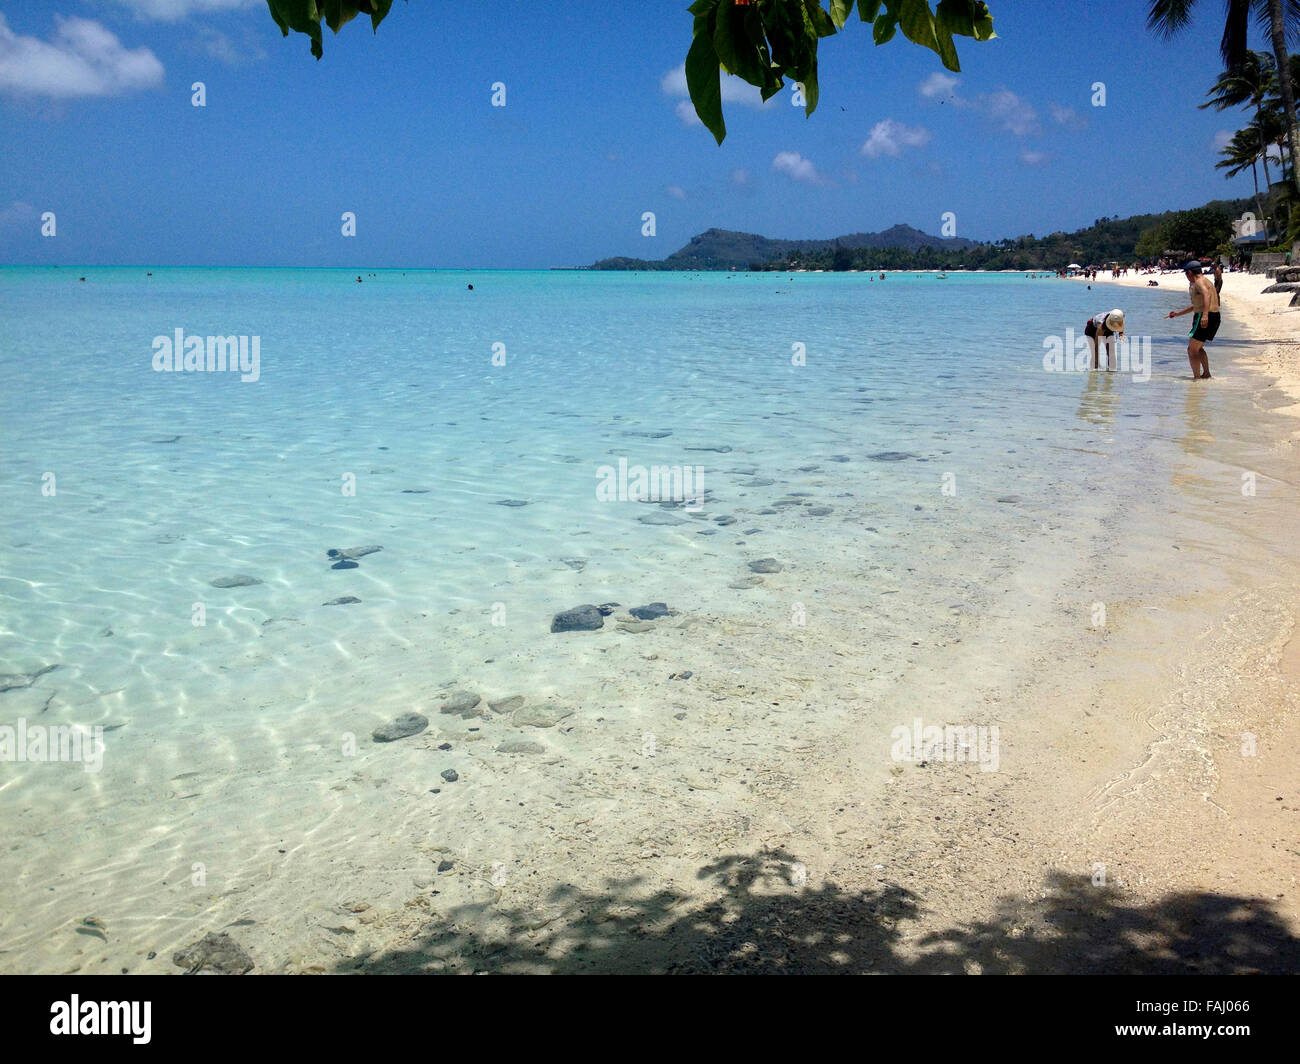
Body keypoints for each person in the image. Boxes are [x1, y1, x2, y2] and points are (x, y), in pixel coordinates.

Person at [1167, 260, 1219, 379]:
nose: (1186, 277)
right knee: (1198, 348)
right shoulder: (1206, 281)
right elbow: (1197, 304)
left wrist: (1205, 315)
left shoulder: (1199, 282)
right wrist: (1178, 314)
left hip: (1205, 315)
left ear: (1189, 273)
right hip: (1214, 315)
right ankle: (1206, 374)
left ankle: (1196, 379)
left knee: (1191, 350)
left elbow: (1207, 295)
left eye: (1186, 274)